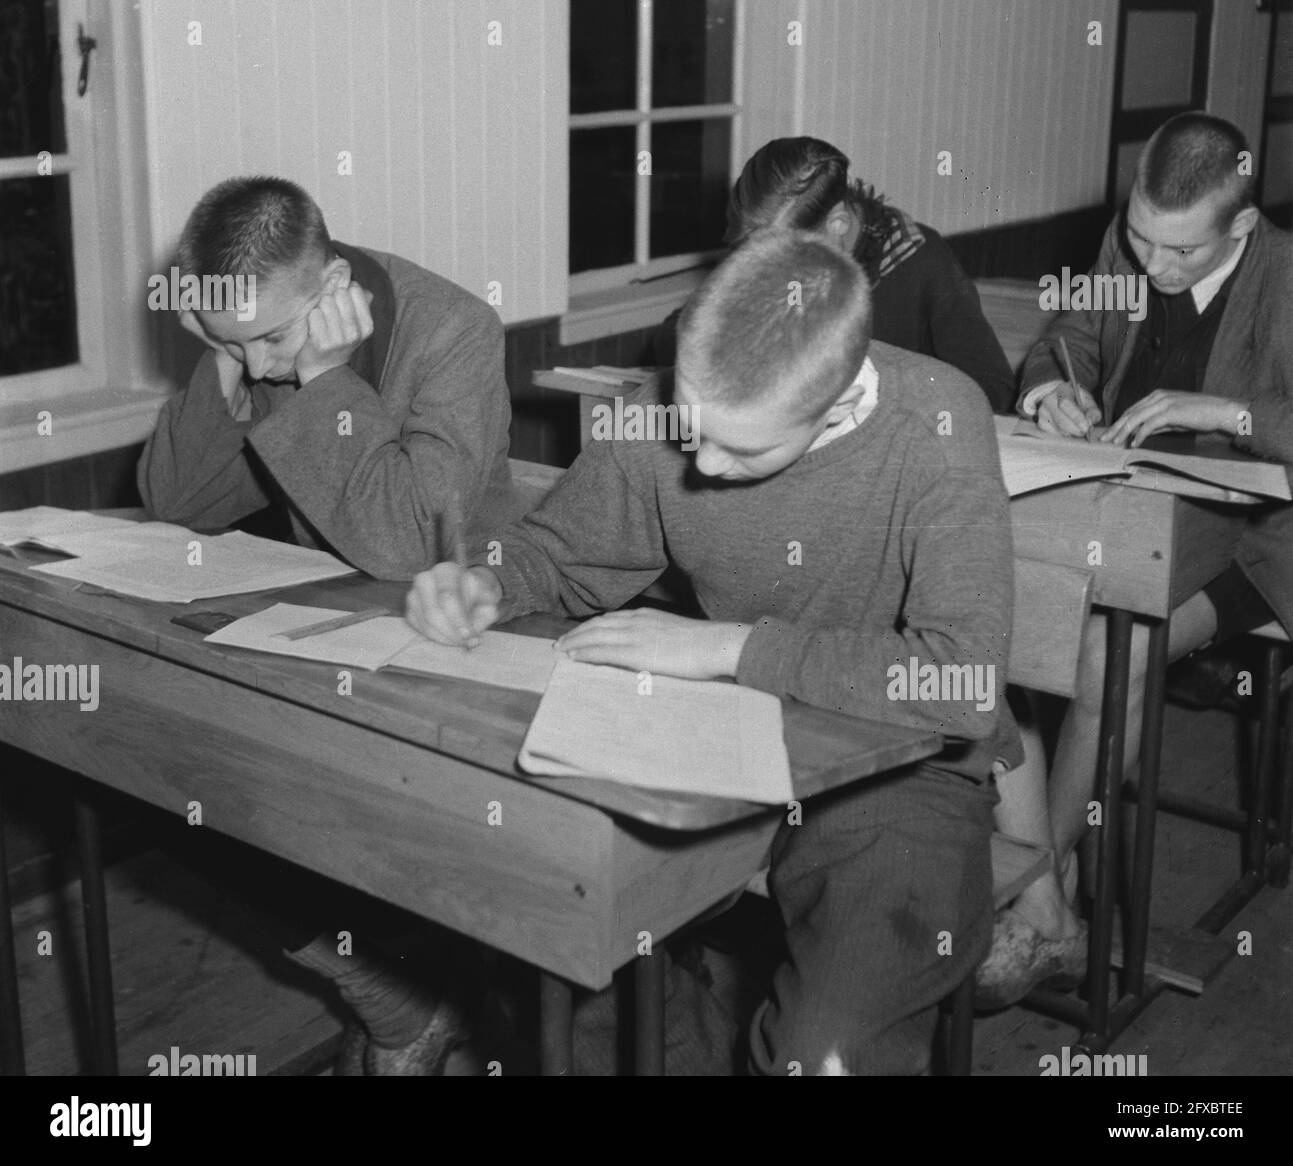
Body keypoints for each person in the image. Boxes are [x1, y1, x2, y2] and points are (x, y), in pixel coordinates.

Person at [407, 229, 1020, 1075]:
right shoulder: (666, 409)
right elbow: (559, 551)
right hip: (717, 737)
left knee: (824, 1054)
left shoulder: (937, 423)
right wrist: (487, 580)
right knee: (549, 934)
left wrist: (731, 649)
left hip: (901, 766)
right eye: (691, 427)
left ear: (838, 403)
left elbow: (963, 683)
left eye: (742, 449)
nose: (698, 462)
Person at [979, 112, 1293, 1007]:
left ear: (1238, 227)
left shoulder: (1282, 277)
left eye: (1177, 254)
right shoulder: (1130, 253)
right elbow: (1067, 339)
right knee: (1004, 621)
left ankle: (1042, 882)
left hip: (1261, 539)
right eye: (1138, 238)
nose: (1151, 268)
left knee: (1108, 650)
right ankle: (1046, 900)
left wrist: (1222, 412)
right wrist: (1051, 391)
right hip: (1134, 512)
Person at [138, 176, 515, 579]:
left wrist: (324, 378)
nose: (257, 368)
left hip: (461, 605)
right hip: (327, 596)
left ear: (333, 283)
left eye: (274, 337)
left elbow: (413, 549)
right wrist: (222, 351)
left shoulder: (455, 329)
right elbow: (179, 507)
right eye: (234, 343)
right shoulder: (270, 320)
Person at [650, 136, 1016, 413]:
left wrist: (871, 385)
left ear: (838, 223)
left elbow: (992, 390)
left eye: (788, 257)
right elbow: (668, 338)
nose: (771, 271)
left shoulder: (922, 261)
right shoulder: (767, 251)